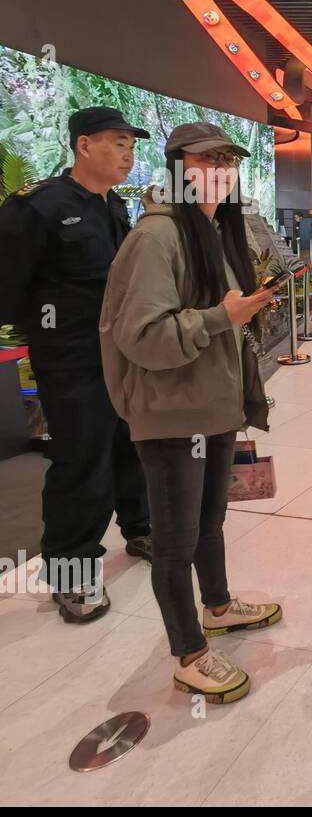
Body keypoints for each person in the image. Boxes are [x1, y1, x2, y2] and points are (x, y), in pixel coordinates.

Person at [100, 122, 283, 703]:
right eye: (207, 162)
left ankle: (220, 607)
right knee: (175, 542)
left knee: (210, 522)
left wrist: (244, 313)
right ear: (178, 166)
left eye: (229, 161)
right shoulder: (157, 236)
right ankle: (190, 654)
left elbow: (222, 316)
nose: (221, 171)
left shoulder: (213, 232)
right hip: (172, 413)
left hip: (212, 407)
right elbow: (141, 335)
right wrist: (218, 319)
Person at [0, 107, 153, 622]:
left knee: (131, 445)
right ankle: (71, 576)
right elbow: (8, 287)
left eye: (132, 145)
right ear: (84, 145)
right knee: (80, 462)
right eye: (117, 142)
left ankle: (141, 529)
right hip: (70, 360)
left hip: (123, 355)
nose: (128, 153)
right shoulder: (38, 207)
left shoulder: (114, 208)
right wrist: (54, 331)